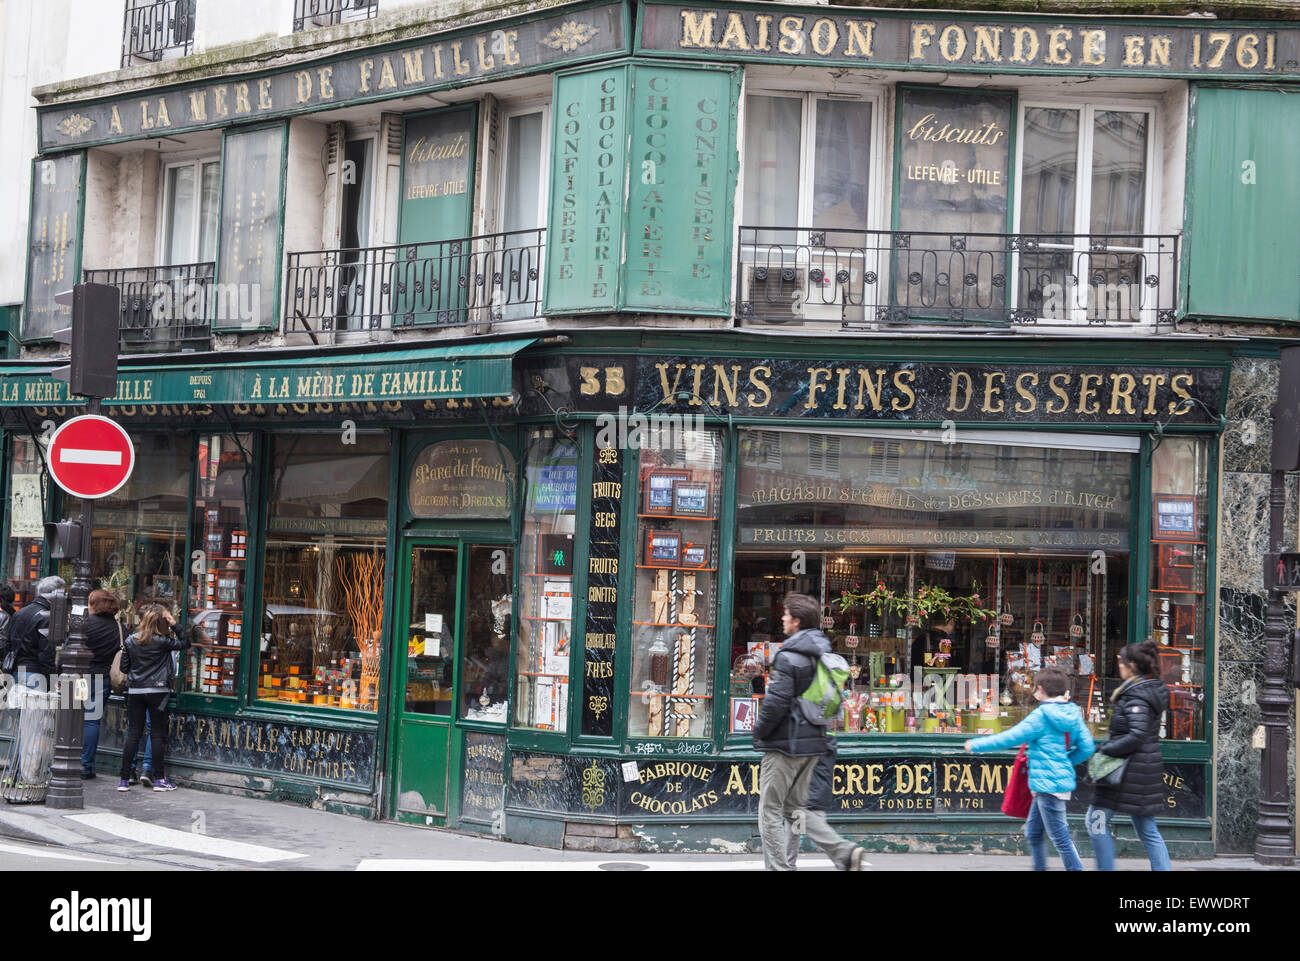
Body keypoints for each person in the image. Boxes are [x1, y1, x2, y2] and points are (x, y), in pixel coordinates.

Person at [753, 592, 864, 871]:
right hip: (813, 744)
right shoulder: (820, 654)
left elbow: (776, 702)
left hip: (785, 746)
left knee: (770, 810)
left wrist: (759, 732)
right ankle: (845, 852)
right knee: (796, 809)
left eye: (786, 615)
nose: (782, 618)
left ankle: (779, 868)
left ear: (797, 621)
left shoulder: (788, 657)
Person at [965, 667, 1094, 871]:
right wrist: (1067, 761)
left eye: (1035, 688)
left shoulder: (1041, 716)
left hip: (1047, 787)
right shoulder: (1073, 713)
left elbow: (1010, 737)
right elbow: (1087, 747)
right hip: (1051, 785)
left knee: (1060, 839)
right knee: (1033, 833)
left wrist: (976, 745)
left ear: (1040, 690)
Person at [1085, 640, 1173, 871]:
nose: (1119, 665)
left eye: (1121, 661)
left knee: (1095, 822)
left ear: (1131, 665)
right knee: (1147, 829)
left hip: (1126, 771)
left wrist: (1105, 749)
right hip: (1140, 770)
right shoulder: (1143, 689)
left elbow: (1137, 735)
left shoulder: (1137, 695)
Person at [117, 603, 190, 792]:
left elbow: (124, 668)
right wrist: (174, 623)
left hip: (136, 691)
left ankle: (124, 780)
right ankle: (159, 779)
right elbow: (185, 643)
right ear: (161, 623)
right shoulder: (163, 641)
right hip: (158, 692)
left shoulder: (131, 640)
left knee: (133, 734)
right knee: (156, 734)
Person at [786, 734, 869, 871]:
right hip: (818, 793)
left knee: (813, 836)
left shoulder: (810, 738)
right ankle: (845, 861)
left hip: (806, 794)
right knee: (809, 836)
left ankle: (846, 857)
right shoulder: (827, 737)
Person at [81, 589, 123, 779]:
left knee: (69, 719)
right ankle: (86, 765)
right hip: (101, 678)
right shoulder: (119, 628)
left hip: (78, 676)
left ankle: (67, 761)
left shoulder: (83, 624)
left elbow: (67, 649)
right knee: (91, 720)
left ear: (93, 605)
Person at [9, 576, 65, 689]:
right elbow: (46, 654)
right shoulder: (47, 617)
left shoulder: (20, 613)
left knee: (18, 706)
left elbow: (9, 643)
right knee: (35, 706)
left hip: (16, 671)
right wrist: (51, 681)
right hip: (35, 674)